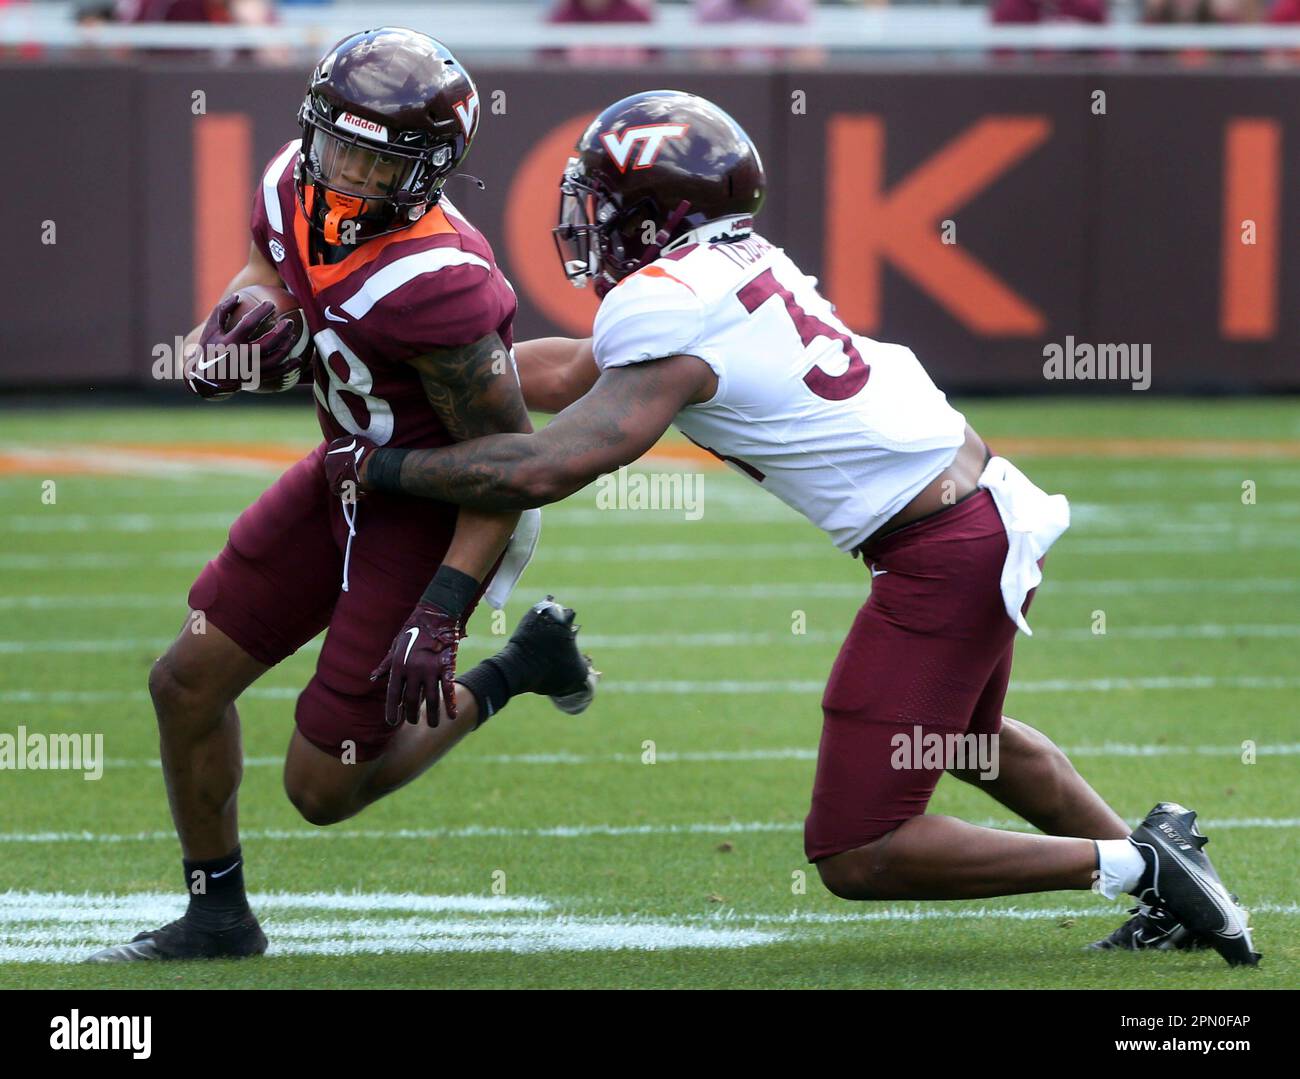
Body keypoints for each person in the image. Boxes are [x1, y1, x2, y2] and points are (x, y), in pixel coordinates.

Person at [324, 90, 1259, 966]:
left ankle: (1140, 865)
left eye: (602, 201)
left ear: (656, 215)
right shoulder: (729, 264)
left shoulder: (668, 303)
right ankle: (1161, 881)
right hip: (976, 506)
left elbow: (551, 464)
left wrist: (379, 461)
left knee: (859, 848)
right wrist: (412, 371)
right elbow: (568, 371)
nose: (583, 218)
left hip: (943, 549)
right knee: (965, 740)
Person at [87, 28, 596, 963]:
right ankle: (218, 918)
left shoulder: (440, 281)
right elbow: (266, 271)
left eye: (376, 159)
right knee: (184, 682)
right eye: (338, 145)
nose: (346, 173)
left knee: (323, 787)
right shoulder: (293, 178)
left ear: (431, 170)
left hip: (440, 504)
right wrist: (244, 324)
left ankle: (518, 665)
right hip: (344, 471)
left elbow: (507, 462)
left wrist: (446, 609)